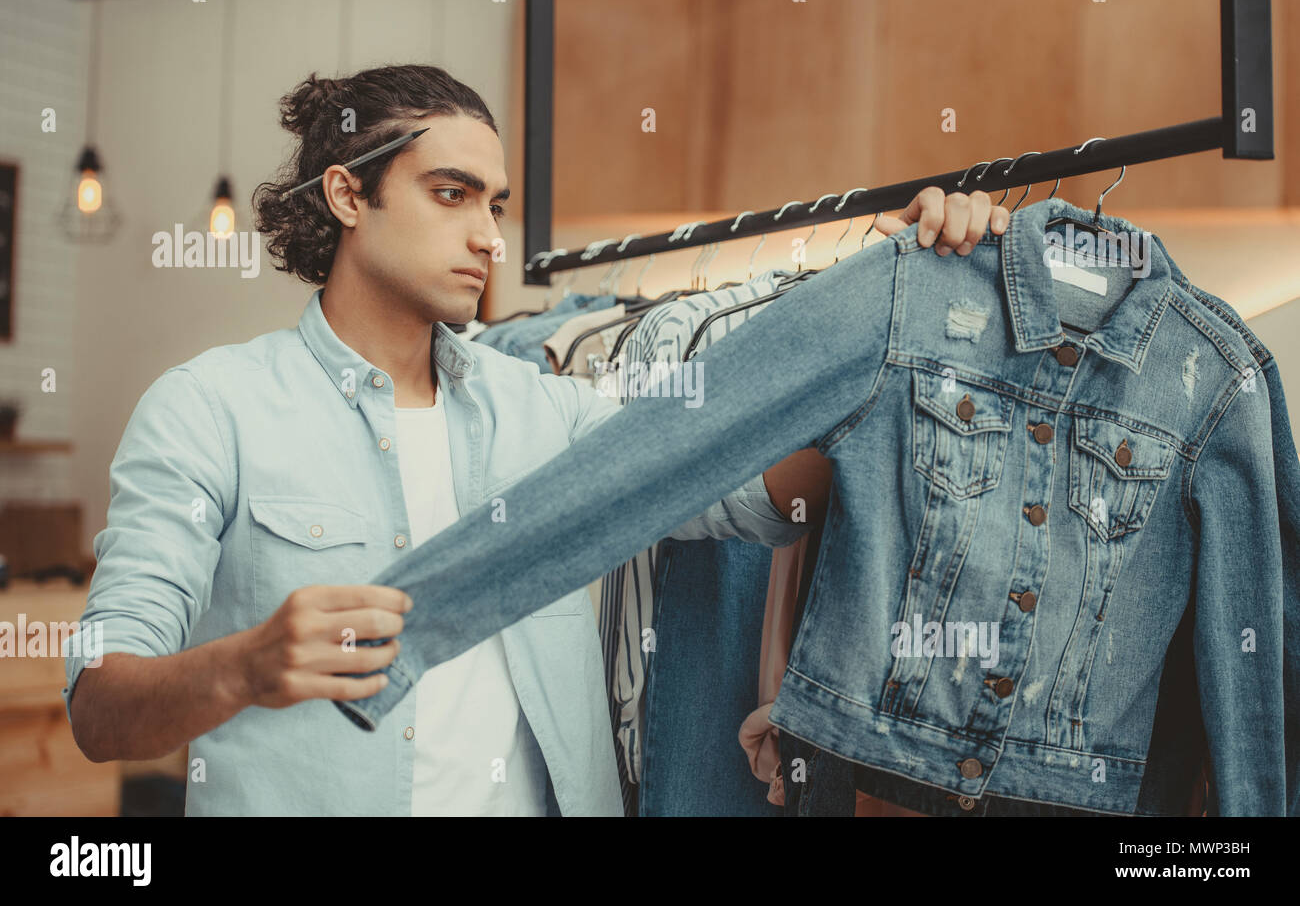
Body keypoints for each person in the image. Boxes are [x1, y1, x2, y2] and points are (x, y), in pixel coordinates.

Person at [64, 64, 1009, 815]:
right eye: (452, 195)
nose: (489, 239)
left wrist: (911, 304)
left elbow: (752, 495)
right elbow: (100, 709)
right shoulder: (207, 408)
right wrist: (244, 663)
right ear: (349, 196)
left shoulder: (550, 409)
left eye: (498, 205)